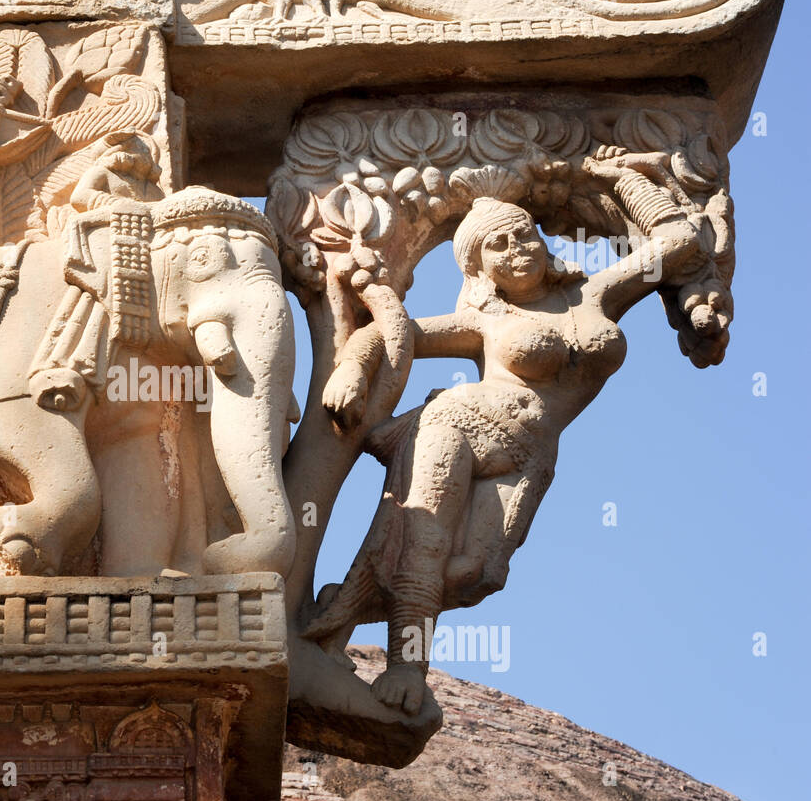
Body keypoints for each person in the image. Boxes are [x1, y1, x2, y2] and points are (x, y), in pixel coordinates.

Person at [304, 148, 711, 714]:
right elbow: (391, 334)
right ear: (479, 270)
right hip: (460, 422)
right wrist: (352, 366)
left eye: (525, 236)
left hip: (531, 452)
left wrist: (625, 180)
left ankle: (338, 610)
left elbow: (680, 242)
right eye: (499, 245)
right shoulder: (483, 320)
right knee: (424, 539)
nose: (519, 250)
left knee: (474, 573)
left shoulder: (593, 296)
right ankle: (407, 667)